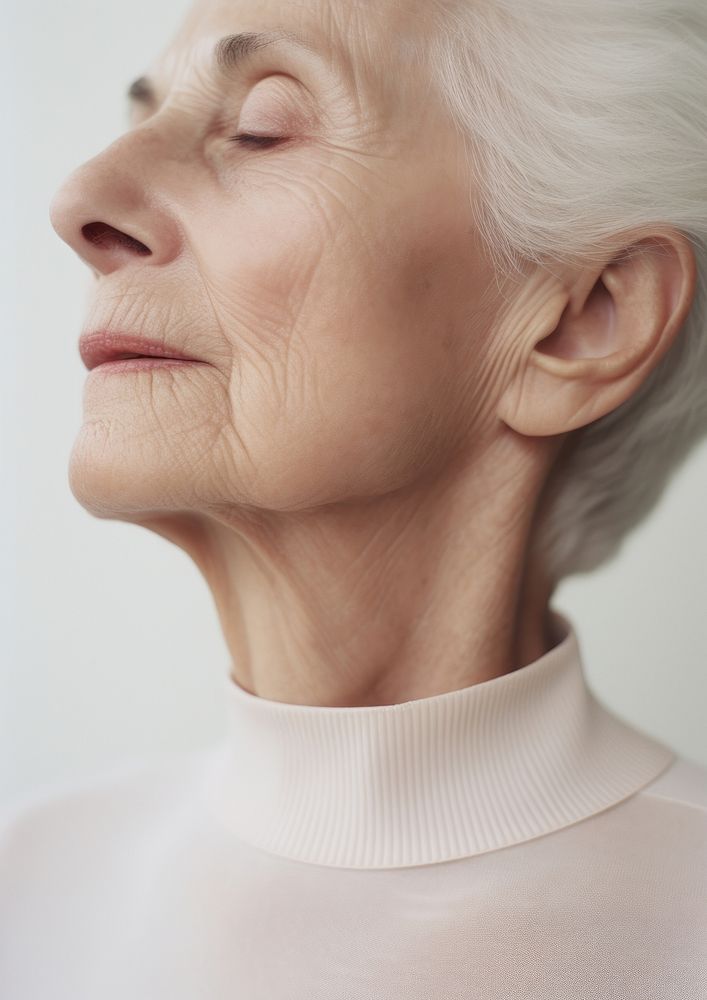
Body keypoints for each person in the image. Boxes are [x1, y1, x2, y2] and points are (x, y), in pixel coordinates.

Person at [2, 0, 706, 996]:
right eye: (141, 118)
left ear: (582, 319)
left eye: (260, 128)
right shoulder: (27, 890)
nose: (81, 199)